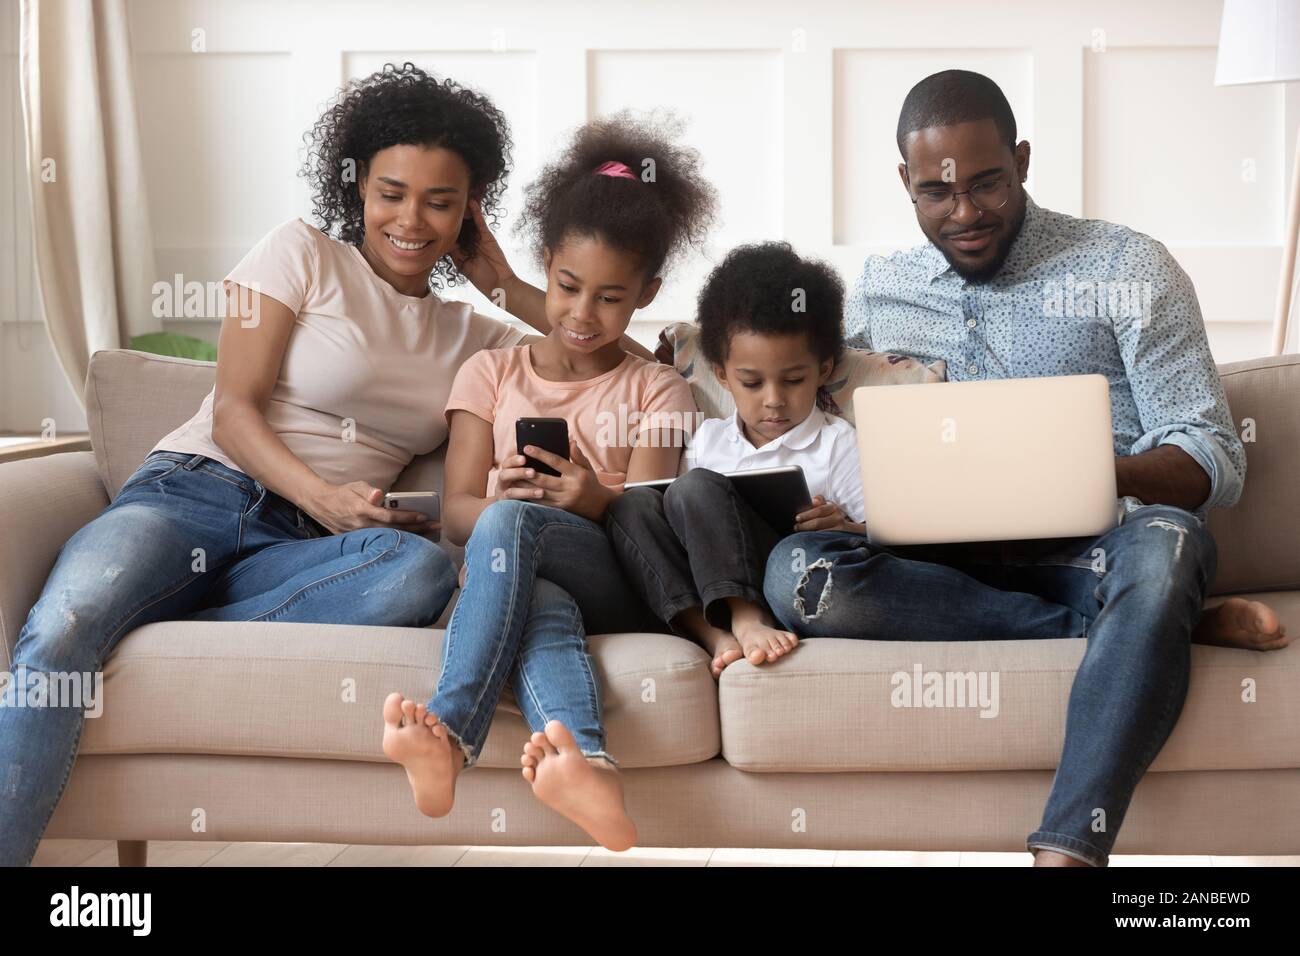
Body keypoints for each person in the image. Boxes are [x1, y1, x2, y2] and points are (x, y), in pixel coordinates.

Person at [0, 63, 575, 867]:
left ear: (470, 213)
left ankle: (158, 624)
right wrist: (324, 493)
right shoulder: (296, 253)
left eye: (441, 201)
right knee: (62, 629)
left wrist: (507, 283)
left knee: (419, 573)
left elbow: (616, 357)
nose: (411, 219)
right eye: (391, 192)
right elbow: (235, 409)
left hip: (304, 550)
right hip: (190, 495)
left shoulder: (470, 334)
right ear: (357, 190)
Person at [762, 69, 1287, 869]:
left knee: (1170, 544)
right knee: (796, 572)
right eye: (936, 192)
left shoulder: (1128, 268)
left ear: (1024, 161)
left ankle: (1068, 852)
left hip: (1097, 548)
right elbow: (798, 400)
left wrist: (1088, 467)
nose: (965, 213)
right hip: (930, 561)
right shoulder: (877, 289)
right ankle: (1150, 625)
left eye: (986, 184)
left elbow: (1215, 454)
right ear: (904, 182)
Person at [380, 112, 714, 851]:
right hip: (524, 573)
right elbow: (458, 513)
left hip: (623, 577)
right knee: (540, 597)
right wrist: (499, 497)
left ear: (645, 293)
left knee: (511, 531)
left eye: (611, 298)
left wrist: (595, 498)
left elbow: (656, 523)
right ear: (547, 265)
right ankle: (590, 769)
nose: (583, 315)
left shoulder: (659, 389)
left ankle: (450, 731)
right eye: (567, 287)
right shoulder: (491, 373)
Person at [607, 242, 863, 677]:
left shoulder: (838, 443)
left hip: (784, 583)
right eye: (752, 383)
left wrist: (845, 527)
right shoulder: (708, 439)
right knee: (632, 504)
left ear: (823, 370)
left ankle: (748, 617)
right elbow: (677, 517)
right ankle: (715, 635)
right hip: (708, 592)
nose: (774, 400)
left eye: (793, 380)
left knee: (697, 485)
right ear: (723, 376)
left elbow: (883, 538)